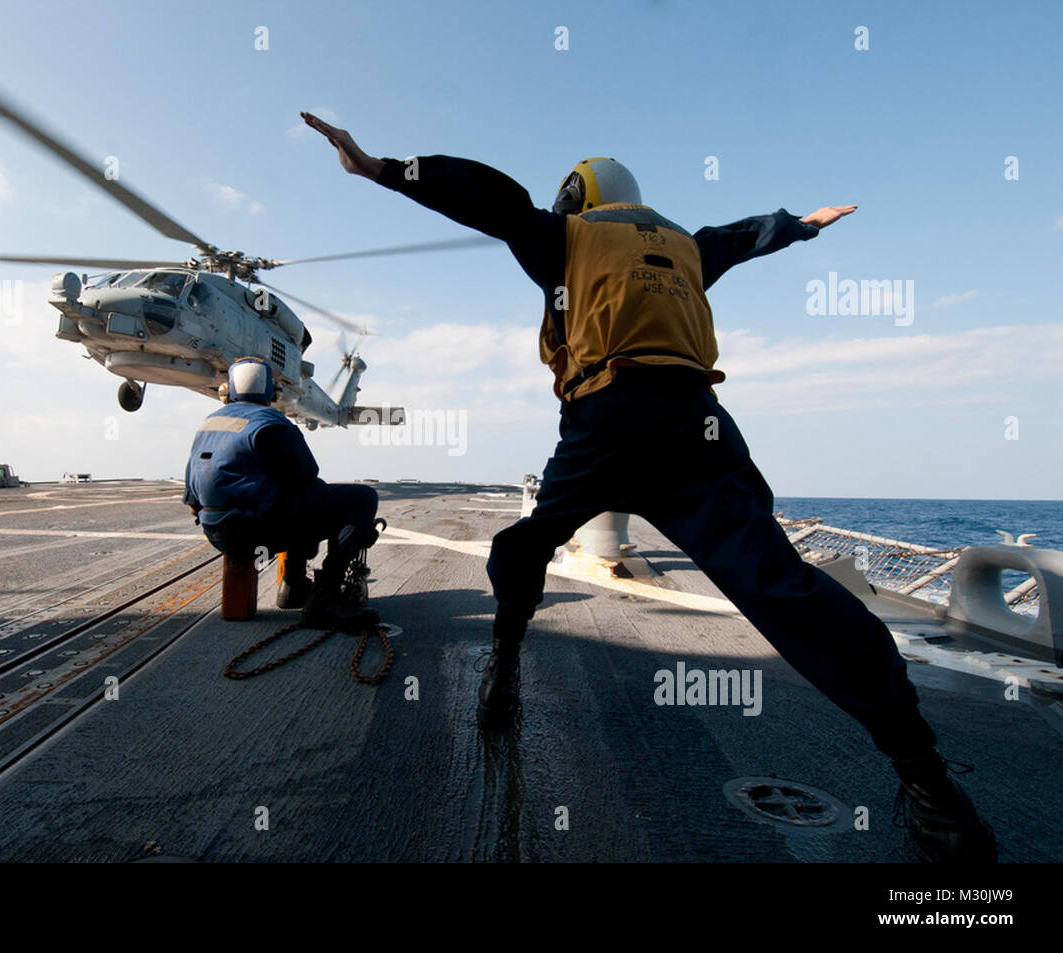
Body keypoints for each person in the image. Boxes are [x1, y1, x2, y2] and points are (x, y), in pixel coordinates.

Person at [302, 112, 996, 863]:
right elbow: (746, 233)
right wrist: (802, 224)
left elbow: (485, 196)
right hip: (698, 427)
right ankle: (930, 784)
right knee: (781, 585)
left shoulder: (564, 237)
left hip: (605, 420)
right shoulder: (687, 247)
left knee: (524, 544)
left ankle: (504, 663)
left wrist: (383, 169)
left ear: (576, 198)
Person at [183, 355, 381, 630]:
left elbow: (192, 502)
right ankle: (324, 601)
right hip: (258, 531)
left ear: (228, 390)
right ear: (271, 392)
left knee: (295, 498)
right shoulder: (271, 422)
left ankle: (295, 589)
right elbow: (307, 474)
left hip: (218, 535)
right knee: (361, 499)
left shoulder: (208, 425)